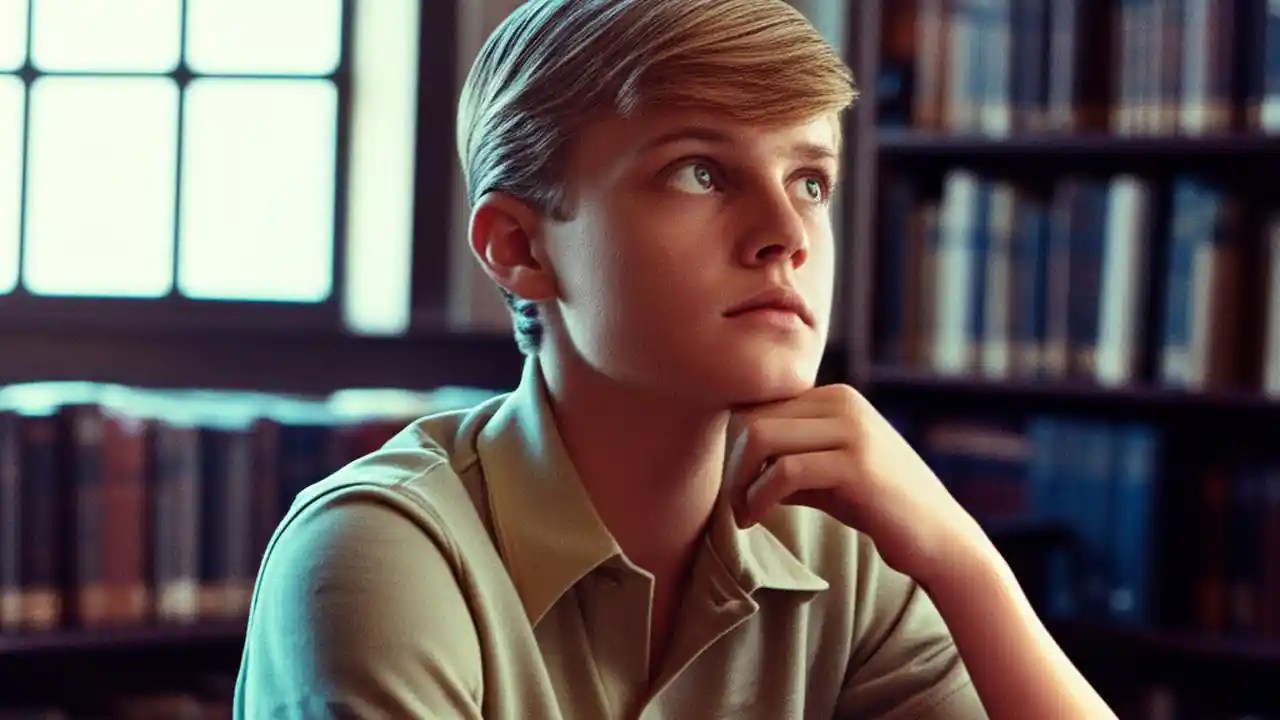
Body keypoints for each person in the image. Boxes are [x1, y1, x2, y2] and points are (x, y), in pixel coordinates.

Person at [234, 1, 1118, 717]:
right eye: (700, 171)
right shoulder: (377, 553)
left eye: (810, 181)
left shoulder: (852, 551)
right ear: (520, 248)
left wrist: (964, 562)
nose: (787, 236)